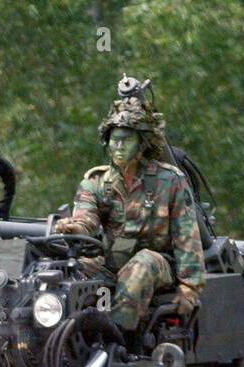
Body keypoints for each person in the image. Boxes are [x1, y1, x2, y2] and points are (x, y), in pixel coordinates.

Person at [54, 95, 205, 334]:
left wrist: (190, 287)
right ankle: (64, 334)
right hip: (112, 262)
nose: (119, 146)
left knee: (143, 263)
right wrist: (76, 228)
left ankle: (117, 337)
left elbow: (187, 237)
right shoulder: (96, 182)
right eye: (114, 140)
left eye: (127, 140)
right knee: (66, 271)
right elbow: (87, 220)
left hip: (158, 263)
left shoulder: (170, 180)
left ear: (142, 143)